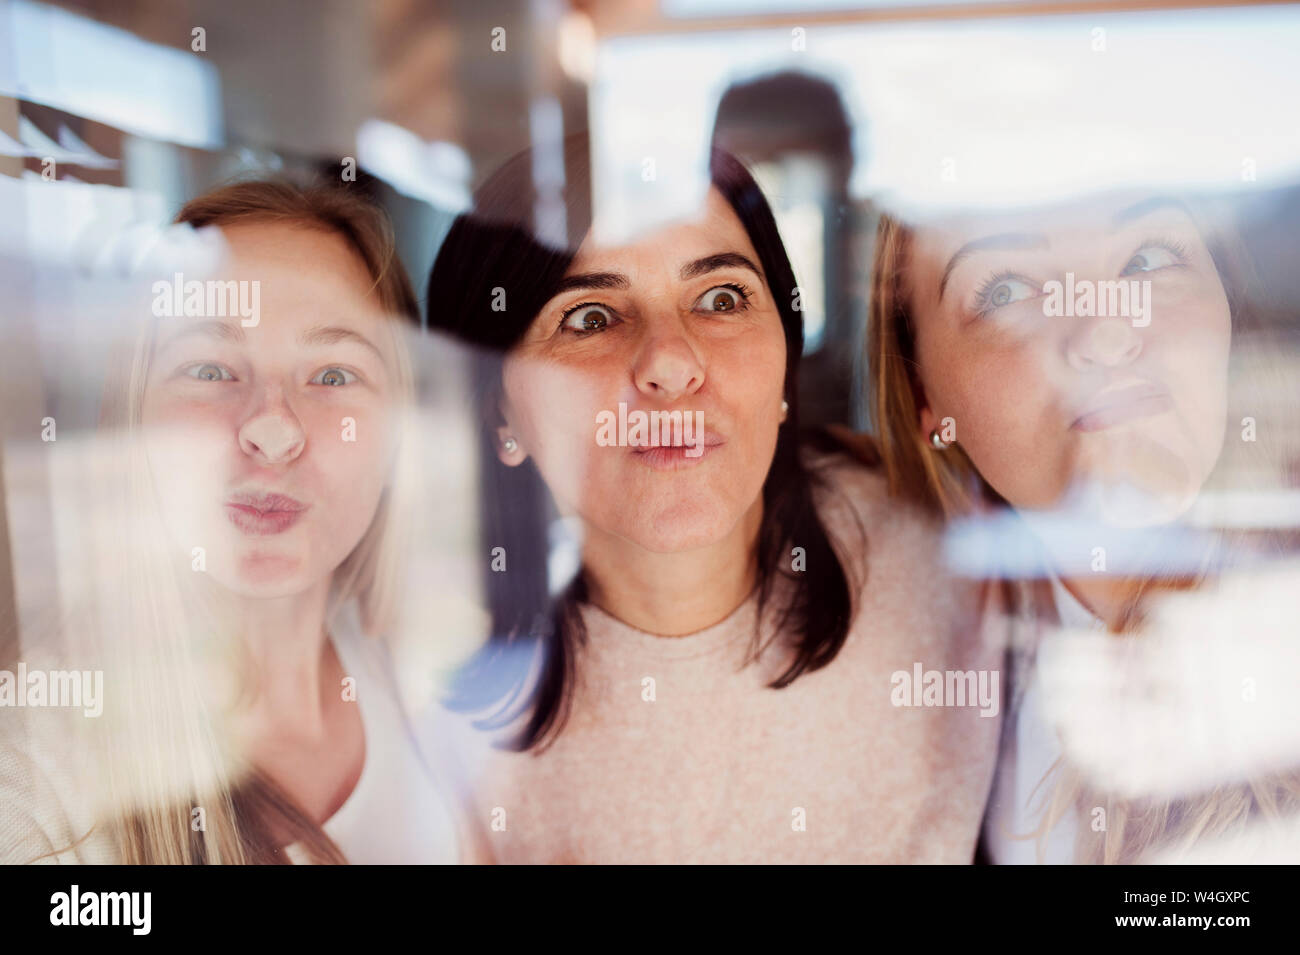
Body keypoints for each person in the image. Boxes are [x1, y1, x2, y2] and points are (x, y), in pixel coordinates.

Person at [423, 138, 1003, 863]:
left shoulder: (961, 548)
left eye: (721, 298)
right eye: (590, 317)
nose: (671, 361)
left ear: (785, 364)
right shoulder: (425, 705)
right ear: (498, 411)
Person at [0, 179, 466, 864]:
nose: (272, 428)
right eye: (211, 366)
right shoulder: (35, 797)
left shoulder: (426, 669)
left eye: (333, 375)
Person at [866, 191, 1300, 862]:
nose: (1104, 330)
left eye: (1149, 258)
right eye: (1007, 288)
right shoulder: (899, 660)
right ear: (925, 392)